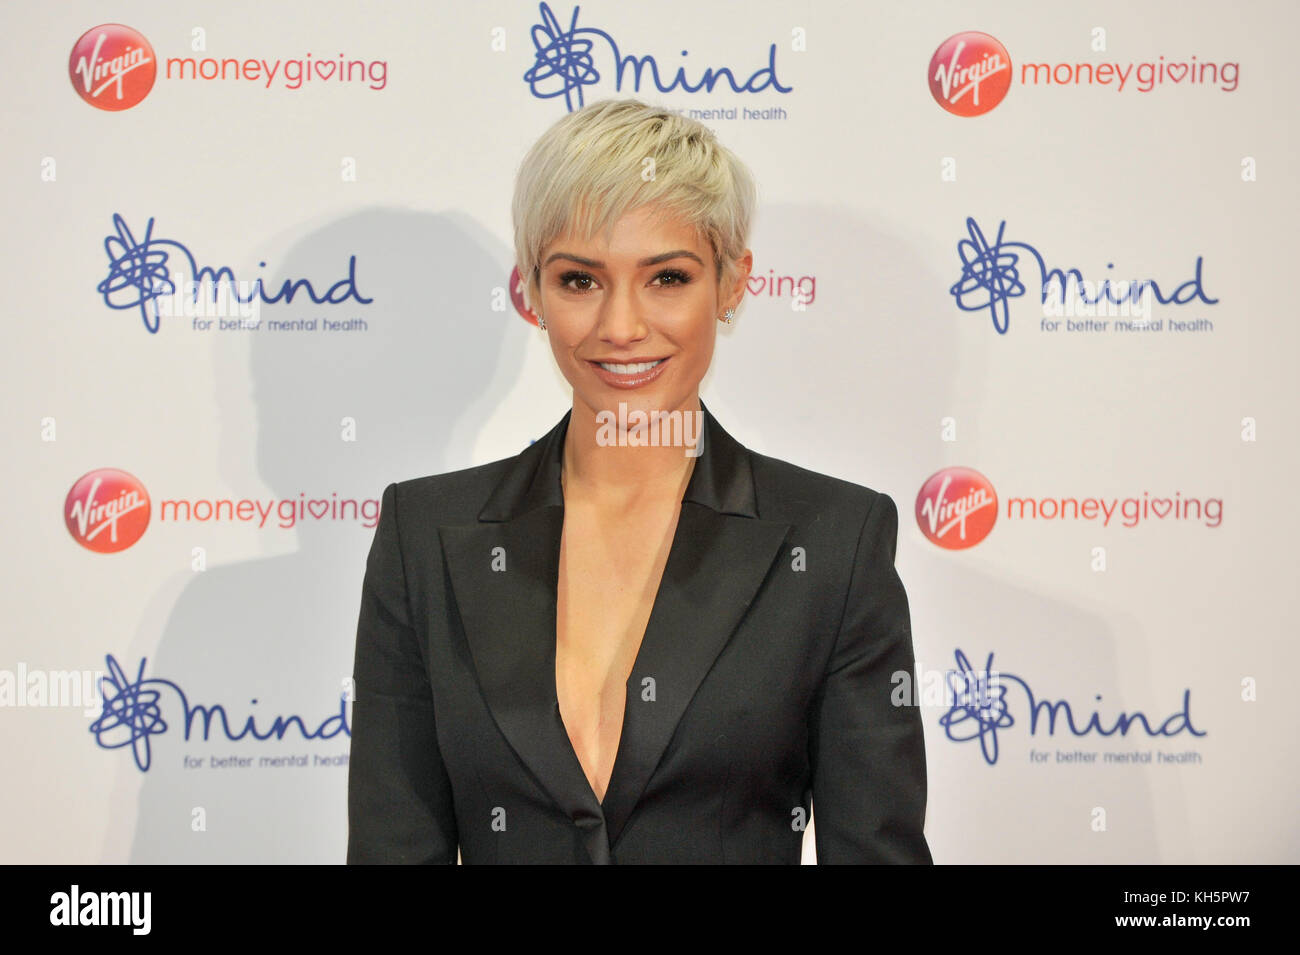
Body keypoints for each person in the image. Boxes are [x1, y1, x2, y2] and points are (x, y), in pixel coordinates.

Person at [347, 98, 932, 864]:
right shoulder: (423, 536)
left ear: (730, 285)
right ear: (534, 292)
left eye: (667, 277)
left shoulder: (834, 541)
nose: (621, 326)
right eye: (581, 280)